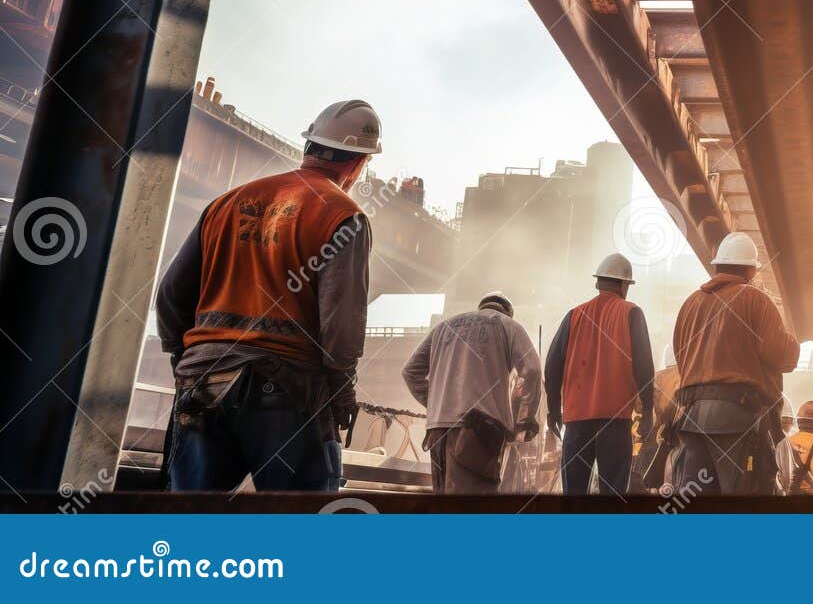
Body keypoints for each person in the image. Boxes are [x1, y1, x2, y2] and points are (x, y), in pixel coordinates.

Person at [156, 99, 382, 491]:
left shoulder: (226, 203)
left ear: (308, 147)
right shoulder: (344, 216)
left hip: (202, 382)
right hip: (285, 387)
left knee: (188, 522)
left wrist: (188, 358)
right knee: (300, 525)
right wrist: (343, 391)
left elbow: (171, 294)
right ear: (359, 163)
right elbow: (340, 327)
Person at [666, 232, 799, 494]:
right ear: (751, 270)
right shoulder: (755, 300)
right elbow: (781, 355)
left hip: (692, 421)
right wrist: (792, 342)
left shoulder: (690, 304)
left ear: (717, 266)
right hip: (737, 421)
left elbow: (681, 360)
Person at [402, 291, 540, 493]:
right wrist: (526, 417)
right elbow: (533, 369)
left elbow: (409, 372)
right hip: (479, 430)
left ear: (481, 306)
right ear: (507, 313)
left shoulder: (444, 327)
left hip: (437, 429)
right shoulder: (508, 326)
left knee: (443, 501)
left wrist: (437, 403)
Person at [545, 253, 654, 496]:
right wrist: (648, 409)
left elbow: (552, 366)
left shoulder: (574, 315)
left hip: (576, 423)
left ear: (597, 283)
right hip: (615, 422)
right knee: (612, 494)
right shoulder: (631, 313)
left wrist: (554, 410)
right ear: (625, 285)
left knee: (574, 493)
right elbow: (644, 365)